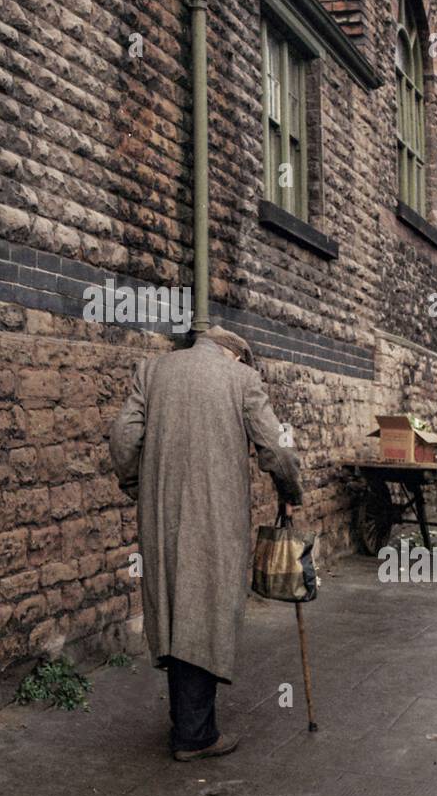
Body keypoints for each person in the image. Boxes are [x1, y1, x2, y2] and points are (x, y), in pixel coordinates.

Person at [109, 325, 302, 762]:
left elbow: (123, 438)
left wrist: (137, 486)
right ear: (237, 355)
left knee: (175, 606)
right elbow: (278, 448)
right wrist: (290, 490)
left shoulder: (152, 370)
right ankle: (195, 735)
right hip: (216, 514)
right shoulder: (242, 379)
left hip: (160, 512)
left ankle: (188, 723)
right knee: (205, 609)